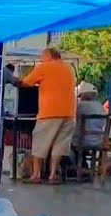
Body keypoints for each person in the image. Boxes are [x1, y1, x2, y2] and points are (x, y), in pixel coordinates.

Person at [19, 47, 77, 184]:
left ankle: (36, 175)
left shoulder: (45, 67)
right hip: (69, 113)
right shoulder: (69, 68)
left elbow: (26, 82)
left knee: (40, 143)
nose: (41, 59)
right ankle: (52, 175)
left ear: (49, 56)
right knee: (60, 145)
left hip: (49, 112)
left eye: (42, 56)